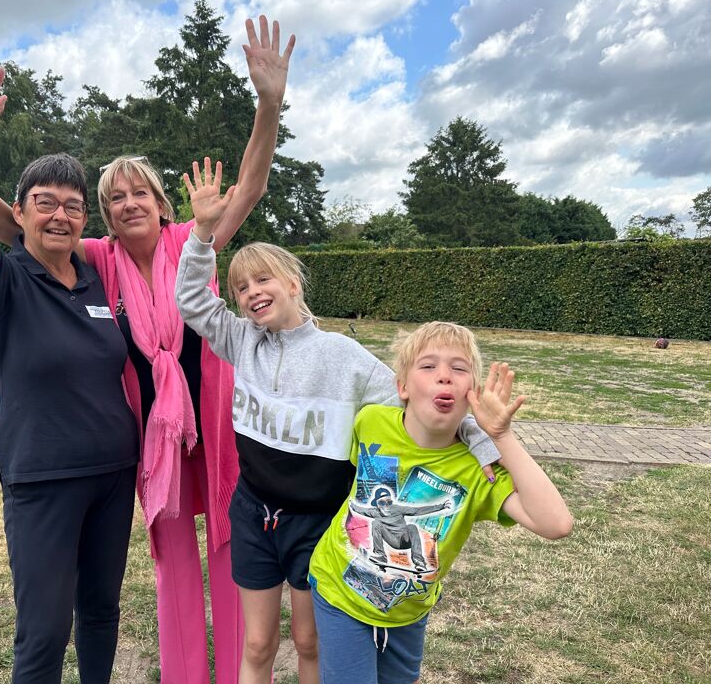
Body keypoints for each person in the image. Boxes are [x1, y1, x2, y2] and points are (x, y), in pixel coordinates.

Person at [0, 15, 295, 684]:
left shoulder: (195, 240)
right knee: (173, 567)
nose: (128, 203)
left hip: (214, 428)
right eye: (114, 196)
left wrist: (268, 105)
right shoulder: (98, 256)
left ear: (161, 201)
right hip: (152, 439)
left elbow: (254, 184)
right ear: (104, 213)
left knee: (236, 553)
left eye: (139, 193)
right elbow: (18, 223)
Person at [173, 164, 500, 684]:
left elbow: (423, 399)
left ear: (293, 283)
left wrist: (488, 448)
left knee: (310, 642)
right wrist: (203, 233)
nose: (251, 292)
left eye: (263, 279)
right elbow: (191, 301)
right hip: (254, 512)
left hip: (317, 522)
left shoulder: (345, 358)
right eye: (240, 287)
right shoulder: (240, 341)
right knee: (257, 642)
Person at [0, 52, 138, 684]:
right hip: (41, 478)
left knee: (101, 612)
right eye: (45, 203)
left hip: (112, 473)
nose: (61, 215)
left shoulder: (98, 280)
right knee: (44, 631)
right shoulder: (3, 280)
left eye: (74, 206)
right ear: (19, 214)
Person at [309, 322, 574, 684]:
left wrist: (500, 436)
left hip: (408, 612)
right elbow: (359, 493)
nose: (445, 376)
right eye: (428, 366)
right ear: (402, 386)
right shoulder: (370, 422)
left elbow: (556, 524)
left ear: (473, 394)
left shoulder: (479, 470)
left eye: (459, 368)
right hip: (340, 593)